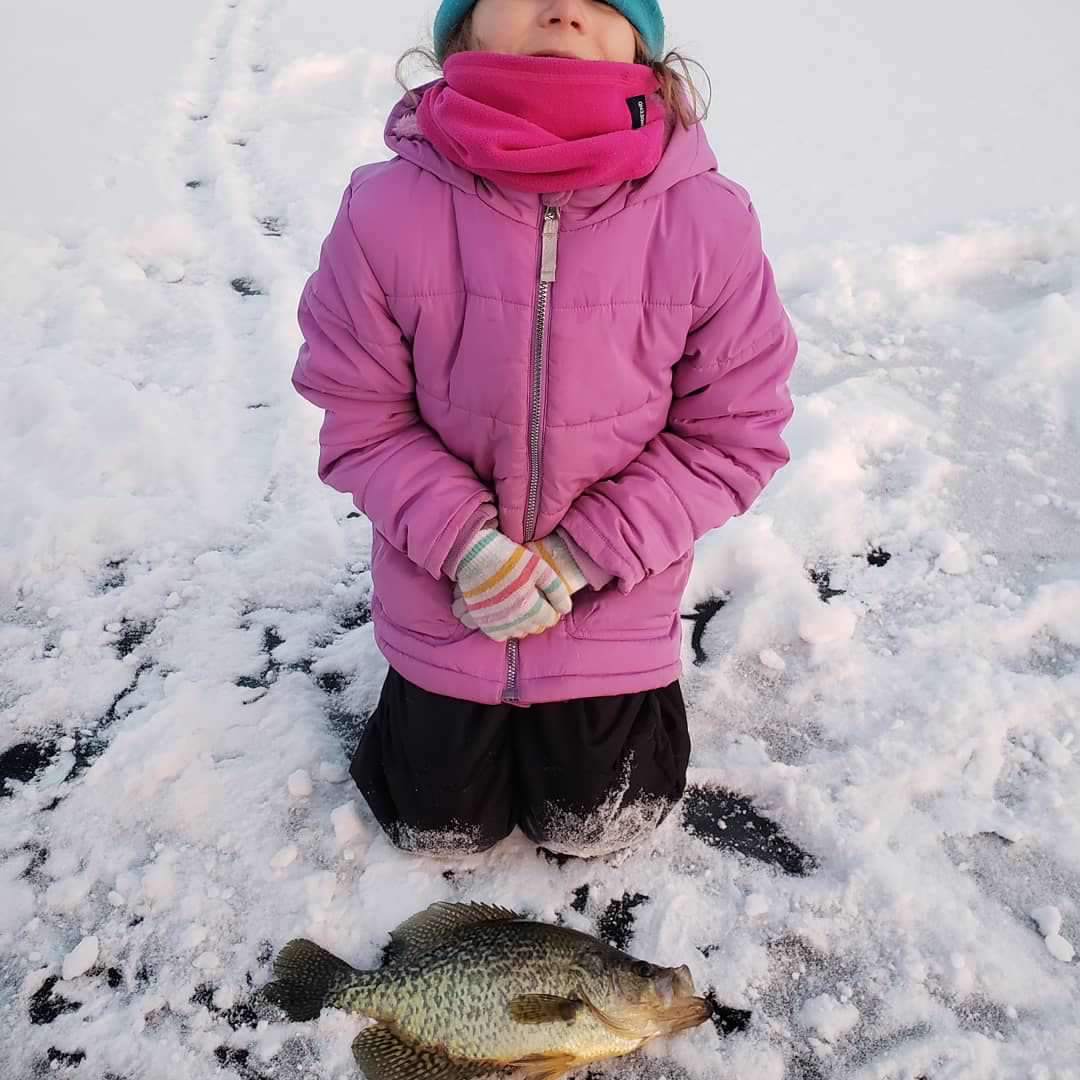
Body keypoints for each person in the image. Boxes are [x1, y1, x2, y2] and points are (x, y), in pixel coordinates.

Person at [290, 0, 798, 860]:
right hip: (447, 596)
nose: (564, 8)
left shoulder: (707, 219)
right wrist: (469, 547)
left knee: (597, 820)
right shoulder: (385, 210)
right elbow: (363, 418)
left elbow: (732, 433)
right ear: (463, 32)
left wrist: (578, 555)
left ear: (641, 43)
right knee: (433, 826)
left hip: (608, 603)